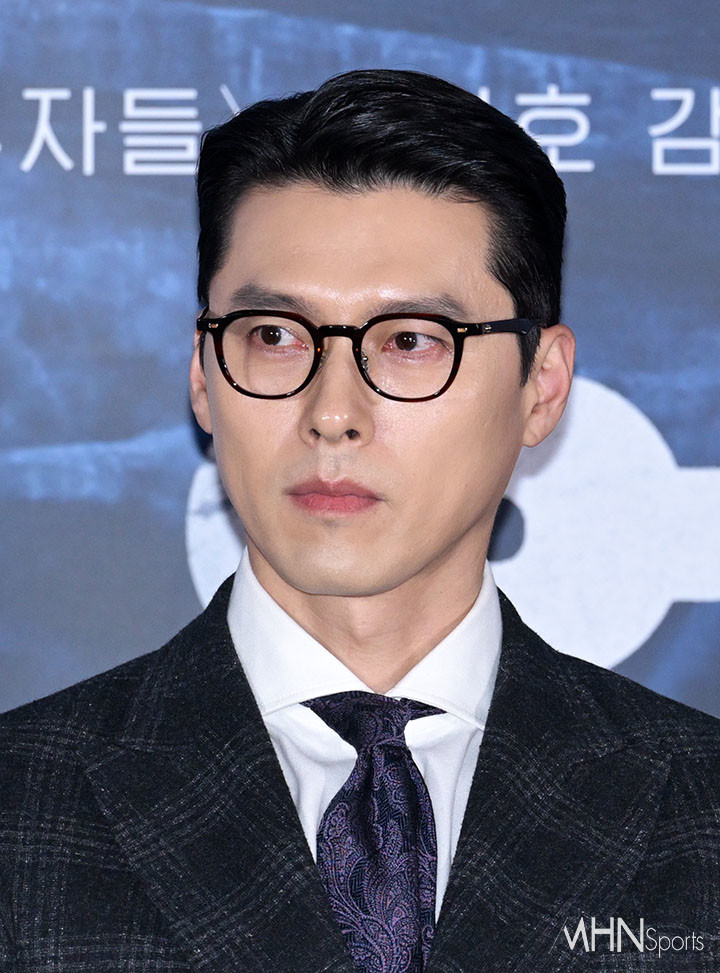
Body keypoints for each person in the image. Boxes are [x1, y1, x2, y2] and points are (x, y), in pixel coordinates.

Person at [1, 69, 719, 973]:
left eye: (411, 340)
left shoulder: (699, 804)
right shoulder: (23, 804)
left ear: (542, 387)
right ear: (202, 377)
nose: (332, 412)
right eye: (273, 334)